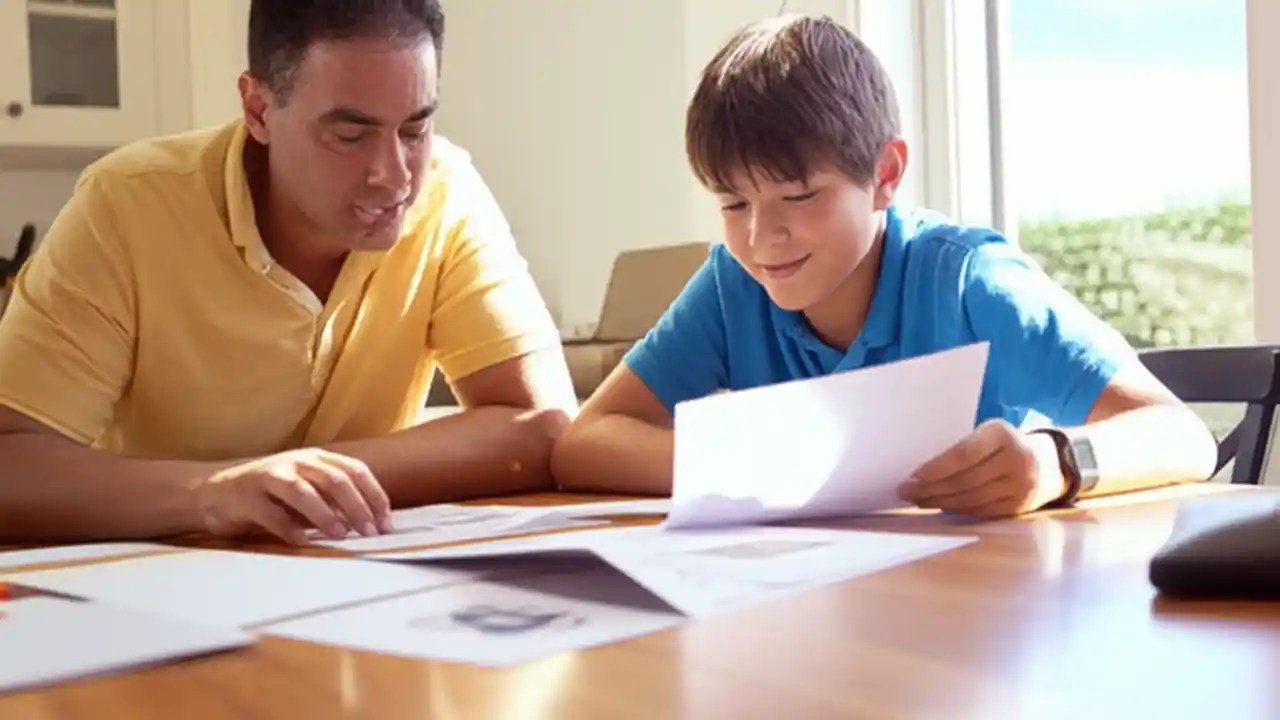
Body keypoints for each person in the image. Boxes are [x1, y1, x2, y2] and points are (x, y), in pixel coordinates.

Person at [551, 15, 1216, 517]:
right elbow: (582, 445)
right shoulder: (733, 287)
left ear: (885, 174)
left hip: (974, 619)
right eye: (732, 203)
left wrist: (1056, 463)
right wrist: (747, 462)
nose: (761, 237)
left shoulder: (970, 284)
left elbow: (1184, 435)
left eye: (800, 196)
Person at [0, 0, 577, 545]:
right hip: (157, 581)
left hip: (361, 587)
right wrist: (209, 494)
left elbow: (542, 423)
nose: (394, 174)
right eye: (350, 135)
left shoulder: (447, 192)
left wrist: (304, 484)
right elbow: (12, 460)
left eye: (414, 129)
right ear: (258, 110)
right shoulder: (126, 205)